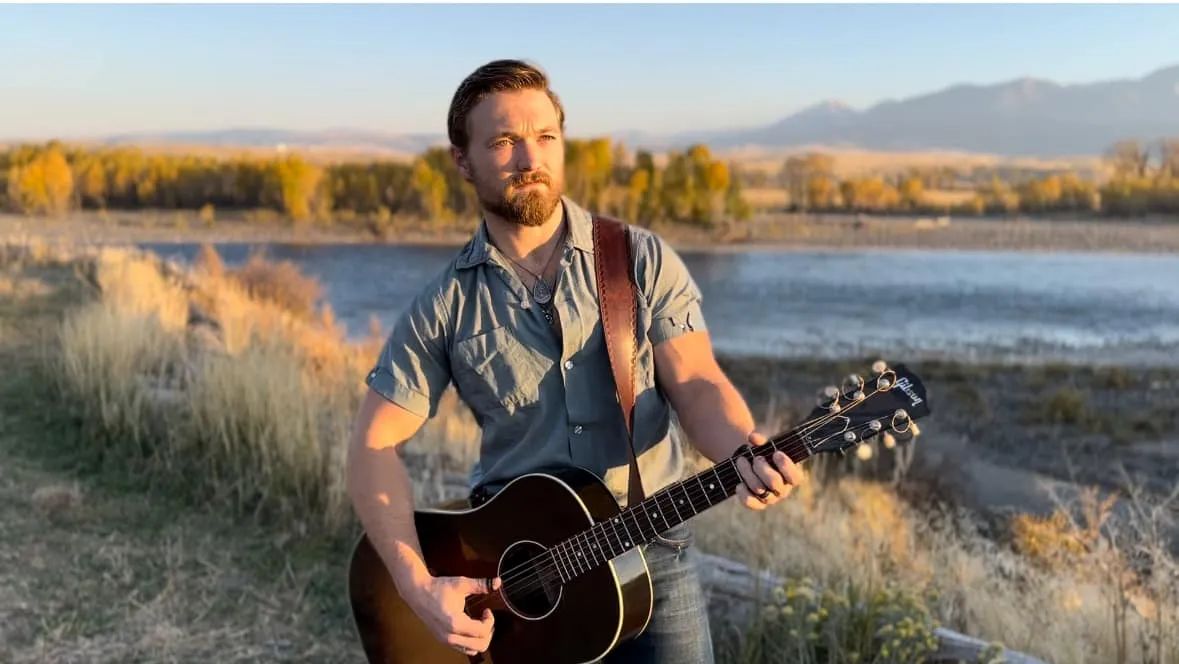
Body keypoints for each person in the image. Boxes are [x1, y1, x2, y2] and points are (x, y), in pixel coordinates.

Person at [346, 59, 804, 663]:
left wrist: (744, 448)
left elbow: (695, 382)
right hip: (512, 586)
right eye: (505, 142)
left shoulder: (639, 260)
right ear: (463, 160)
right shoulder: (445, 304)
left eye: (545, 138)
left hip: (652, 562)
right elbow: (371, 447)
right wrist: (417, 585)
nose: (529, 160)